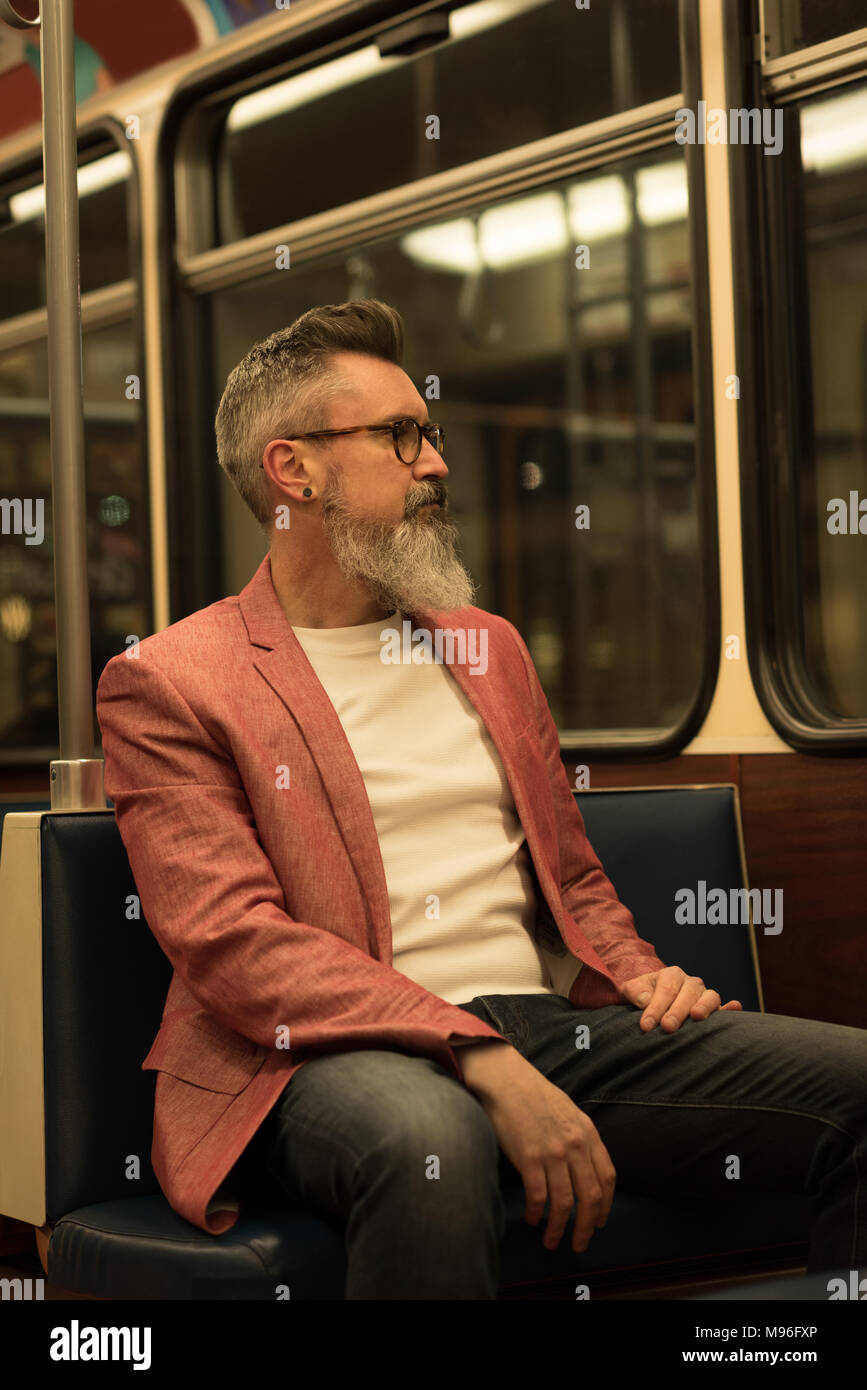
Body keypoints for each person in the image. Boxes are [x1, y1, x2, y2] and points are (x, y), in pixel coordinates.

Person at [96, 298, 867, 1300]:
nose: (437, 464)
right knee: (434, 1141)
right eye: (401, 436)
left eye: (432, 434)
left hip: (546, 1025)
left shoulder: (486, 646)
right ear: (296, 470)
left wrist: (638, 973)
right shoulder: (173, 678)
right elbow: (238, 946)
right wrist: (478, 1056)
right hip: (314, 1055)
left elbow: (573, 879)